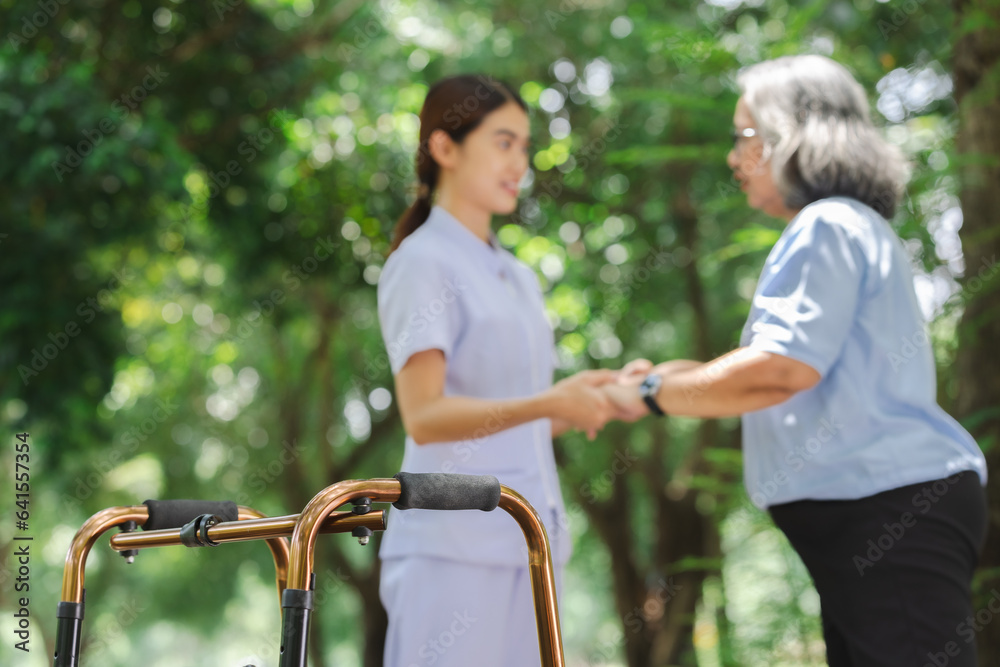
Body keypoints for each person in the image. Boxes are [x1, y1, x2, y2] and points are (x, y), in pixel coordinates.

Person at [604, 55, 989, 667]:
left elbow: (778, 370)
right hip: (873, 515)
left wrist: (650, 393)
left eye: (743, 136)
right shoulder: (838, 227)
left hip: (888, 507)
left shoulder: (828, 224)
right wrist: (672, 377)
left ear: (791, 131)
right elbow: (784, 364)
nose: (733, 158)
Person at [376, 74, 622, 667]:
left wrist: (600, 395)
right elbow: (426, 417)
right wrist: (547, 403)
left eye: (526, 146)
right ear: (444, 148)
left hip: (531, 542)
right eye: (504, 142)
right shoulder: (422, 262)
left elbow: (518, 421)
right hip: (452, 553)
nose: (521, 163)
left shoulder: (517, 276)